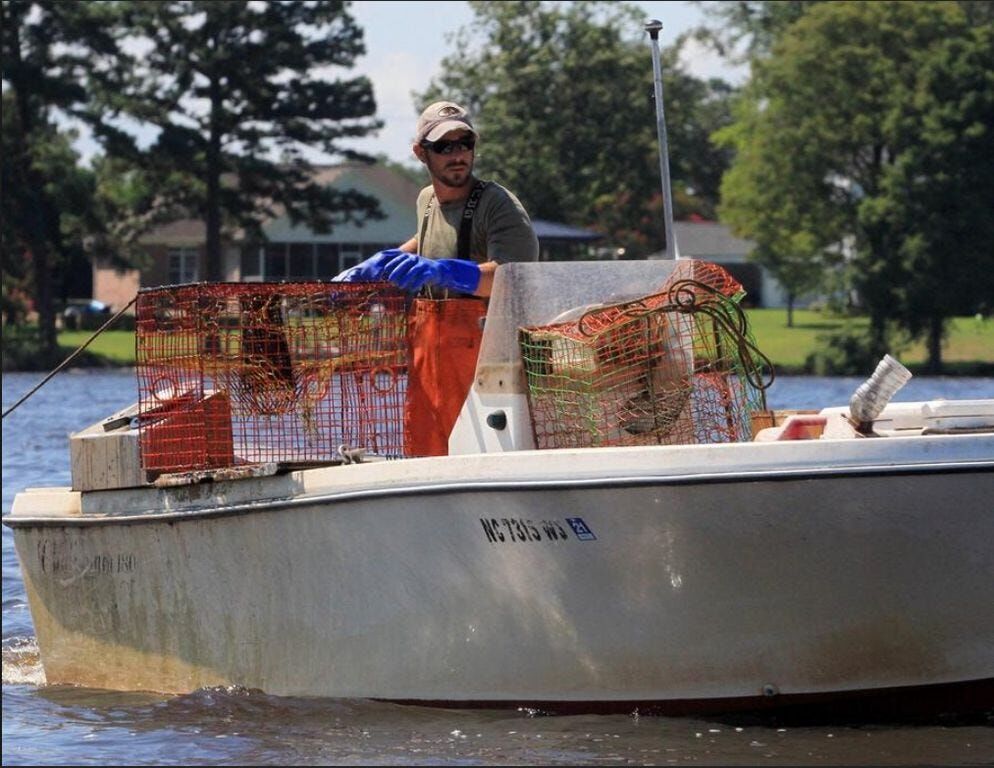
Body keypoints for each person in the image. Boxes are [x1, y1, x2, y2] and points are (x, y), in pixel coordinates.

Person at [336, 100, 538, 456]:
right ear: (420, 153)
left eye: (465, 143)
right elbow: (428, 238)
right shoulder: (426, 200)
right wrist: (384, 262)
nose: (457, 155)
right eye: (444, 146)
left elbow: (514, 277)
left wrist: (444, 271)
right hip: (429, 360)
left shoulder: (499, 205)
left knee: (480, 455)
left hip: (486, 366)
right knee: (424, 453)